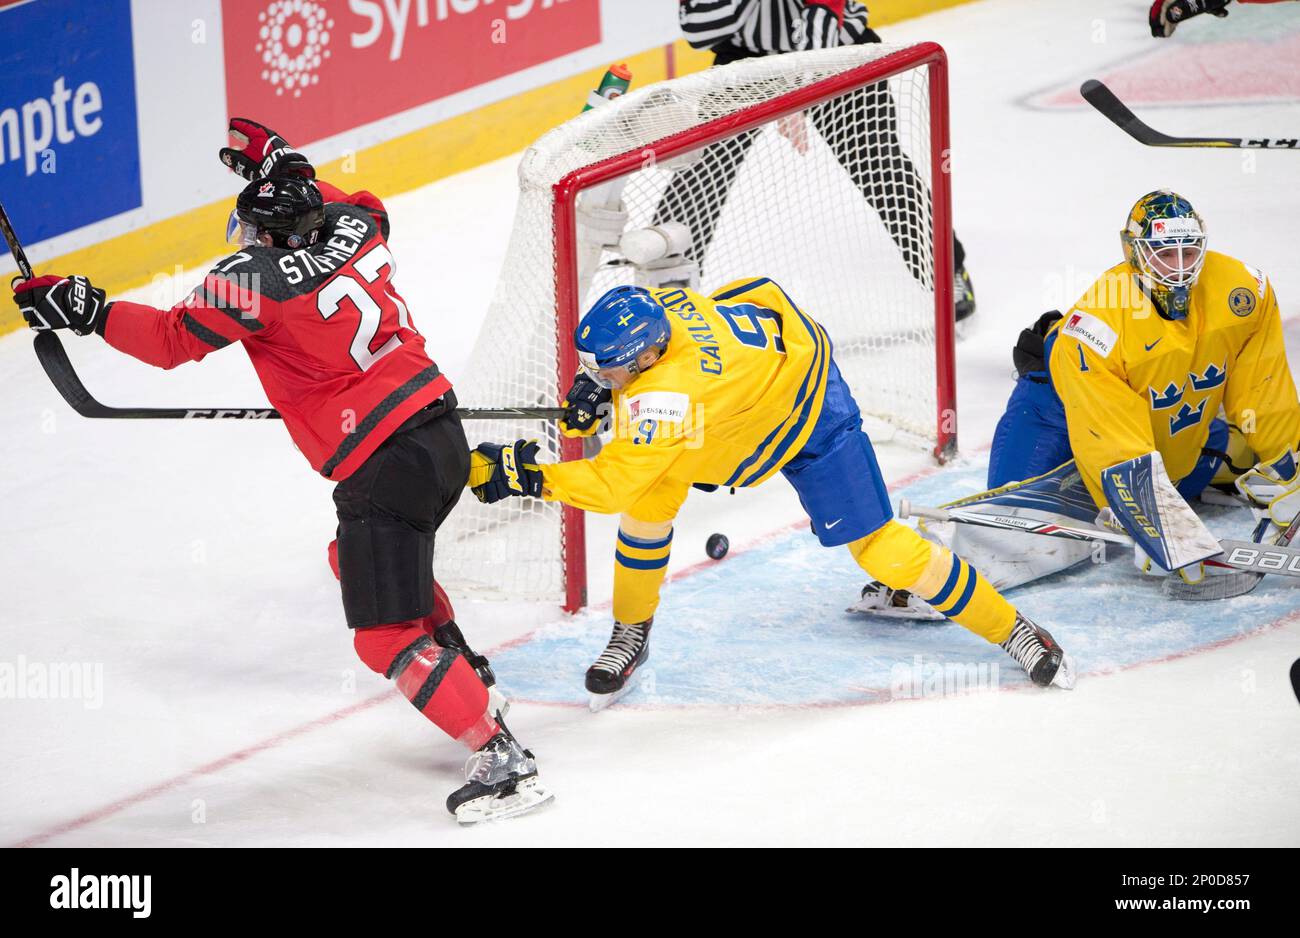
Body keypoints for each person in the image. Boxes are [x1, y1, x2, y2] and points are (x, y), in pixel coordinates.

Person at [12, 118, 551, 824]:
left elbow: (173, 341)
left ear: (265, 235)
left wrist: (89, 311)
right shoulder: (359, 224)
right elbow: (353, 199)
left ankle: (501, 757)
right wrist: (290, 169)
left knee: (382, 634)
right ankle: (468, 677)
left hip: (383, 465)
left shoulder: (255, 280)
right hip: (441, 436)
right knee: (353, 560)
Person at [467, 280, 1076, 707]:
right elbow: (755, 289)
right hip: (736, 411)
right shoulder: (668, 309)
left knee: (883, 550)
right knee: (647, 509)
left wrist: (528, 476)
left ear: (649, 356)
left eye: (609, 367)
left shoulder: (670, 395)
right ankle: (632, 634)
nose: (600, 374)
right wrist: (609, 390)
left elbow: (608, 482)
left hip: (809, 414)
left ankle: (1016, 629)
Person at [863, 190, 1300, 609]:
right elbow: (1110, 439)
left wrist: (1288, 463)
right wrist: (1153, 520)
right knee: (1026, 529)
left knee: (1208, 465)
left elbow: (1262, 387)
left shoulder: (1243, 291)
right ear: (1134, 252)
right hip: (1057, 415)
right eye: (1165, 253)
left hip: (1169, 419)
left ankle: (1205, 466)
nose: (1180, 267)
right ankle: (917, 578)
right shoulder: (1097, 327)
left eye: (1189, 251)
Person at [669, 0, 976, 322]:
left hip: (836, 54)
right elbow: (698, 31)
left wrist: (799, 96)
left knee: (877, 163)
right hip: (747, 62)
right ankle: (669, 286)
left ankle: (945, 271)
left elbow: (824, 13)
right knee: (700, 167)